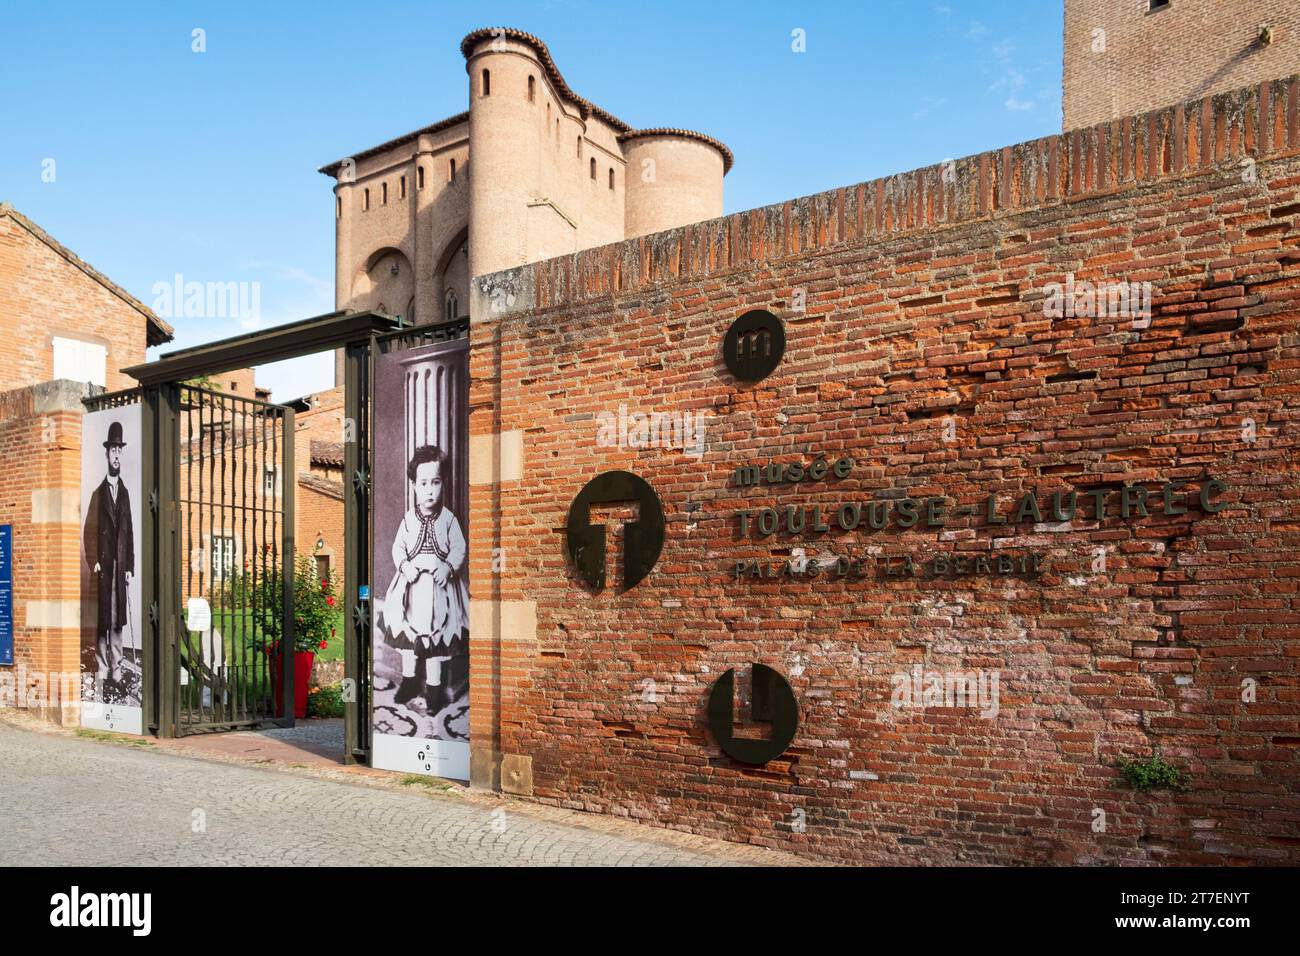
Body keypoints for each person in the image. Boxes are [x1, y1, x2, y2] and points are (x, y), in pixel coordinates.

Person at [381, 444, 468, 722]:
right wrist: (405, 566)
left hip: (440, 592)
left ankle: (434, 689)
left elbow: (459, 548)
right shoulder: (409, 520)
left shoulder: (449, 520)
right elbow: (399, 548)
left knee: (436, 640)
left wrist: (449, 566)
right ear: (414, 486)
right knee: (409, 638)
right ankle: (408, 683)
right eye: (423, 483)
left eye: (436, 482)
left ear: (443, 483)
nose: (429, 490)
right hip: (412, 590)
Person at [83, 420, 134, 703]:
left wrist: (129, 566)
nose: (115, 455)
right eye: (112, 450)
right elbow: (88, 531)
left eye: (119, 450)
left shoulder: (124, 494)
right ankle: (102, 668)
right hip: (104, 568)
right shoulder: (97, 494)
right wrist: (94, 561)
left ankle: (116, 669)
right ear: (106, 455)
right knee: (104, 620)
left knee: (117, 621)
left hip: (119, 567)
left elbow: (130, 533)